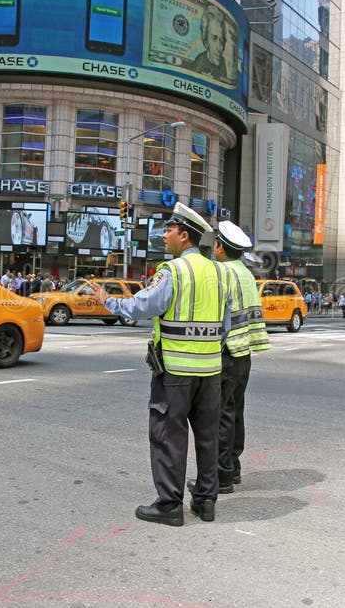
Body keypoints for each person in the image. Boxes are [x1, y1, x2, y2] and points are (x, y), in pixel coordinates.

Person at [88, 202, 233, 526]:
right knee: (208, 437)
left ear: (184, 236)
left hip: (176, 373)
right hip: (210, 372)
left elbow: (143, 307)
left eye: (168, 229)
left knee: (169, 435)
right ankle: (206, 502)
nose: (164, 234)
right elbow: (225, 325)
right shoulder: (220, 273)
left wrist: (108, 301)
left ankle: (169, 505)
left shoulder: (174, 271)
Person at [209, 221, 269, 493]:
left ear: (220, 247)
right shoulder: (246, 273)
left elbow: (218, 318)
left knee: (221, 414)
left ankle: (221, 476)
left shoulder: (222, 273)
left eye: (215, 244)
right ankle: (233, 467)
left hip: (227, 353)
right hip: (244, 353)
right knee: (236, 412)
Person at [187, 7, 228, 79]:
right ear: (206, 41)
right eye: (214, 38)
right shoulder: (200, 60)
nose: (220, 47)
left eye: (222, 41)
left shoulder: (222, 62)